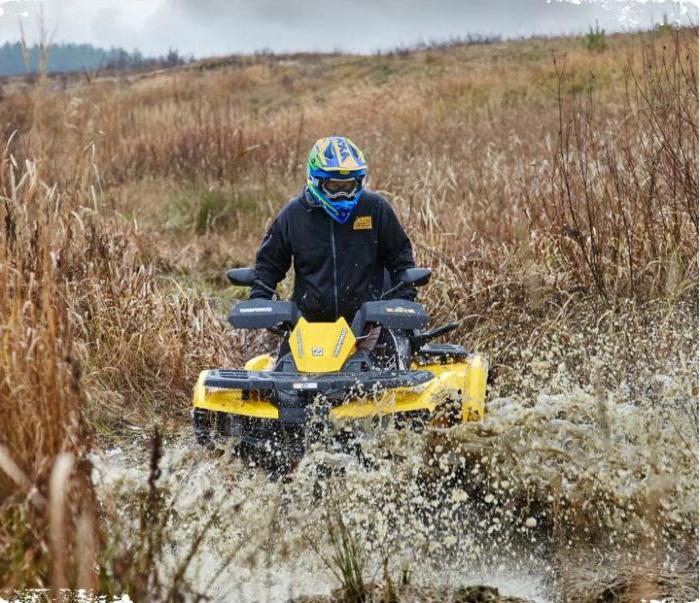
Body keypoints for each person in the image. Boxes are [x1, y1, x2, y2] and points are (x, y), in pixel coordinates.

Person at [250, 136, 416, 326]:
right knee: (282, 357)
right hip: (309, 327)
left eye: (348, 186)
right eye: (335, 186)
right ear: (316, 180)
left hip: (370, 326)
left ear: (359, 182)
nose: (342, 193)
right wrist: (259, 299)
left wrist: (404, 301)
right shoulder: (293, 215)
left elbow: (401, 260)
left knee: (398, 354)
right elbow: (268, 265)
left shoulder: (375, 208)